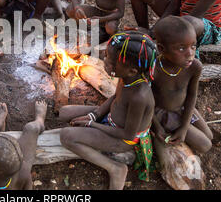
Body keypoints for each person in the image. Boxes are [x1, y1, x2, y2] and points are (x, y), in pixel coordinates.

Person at [59, 31, 157, 189]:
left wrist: (93, 124)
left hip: (122, 139)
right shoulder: (128, 77)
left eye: (111, 62)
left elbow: (127, 134)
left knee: (66, 136)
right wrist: (95, 114)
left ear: (132, 70)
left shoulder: (139, 97)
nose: (105, 62)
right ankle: (95, 125)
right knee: (64, 112)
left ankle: (115, 168)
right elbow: (115, 98)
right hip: (110, 117)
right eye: (106, 57)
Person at [152, 16, 213, 153]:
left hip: (182, 108)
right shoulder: (154, 68)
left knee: (210, 136)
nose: (190, 54)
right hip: (161, 112)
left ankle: (183, 131)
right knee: (205, 145)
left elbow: (192, 95)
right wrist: (156, 127)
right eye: (181, 49)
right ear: (162, 49)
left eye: (193, 46)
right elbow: (147, 102)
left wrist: (184, 127)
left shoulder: (195, 66)